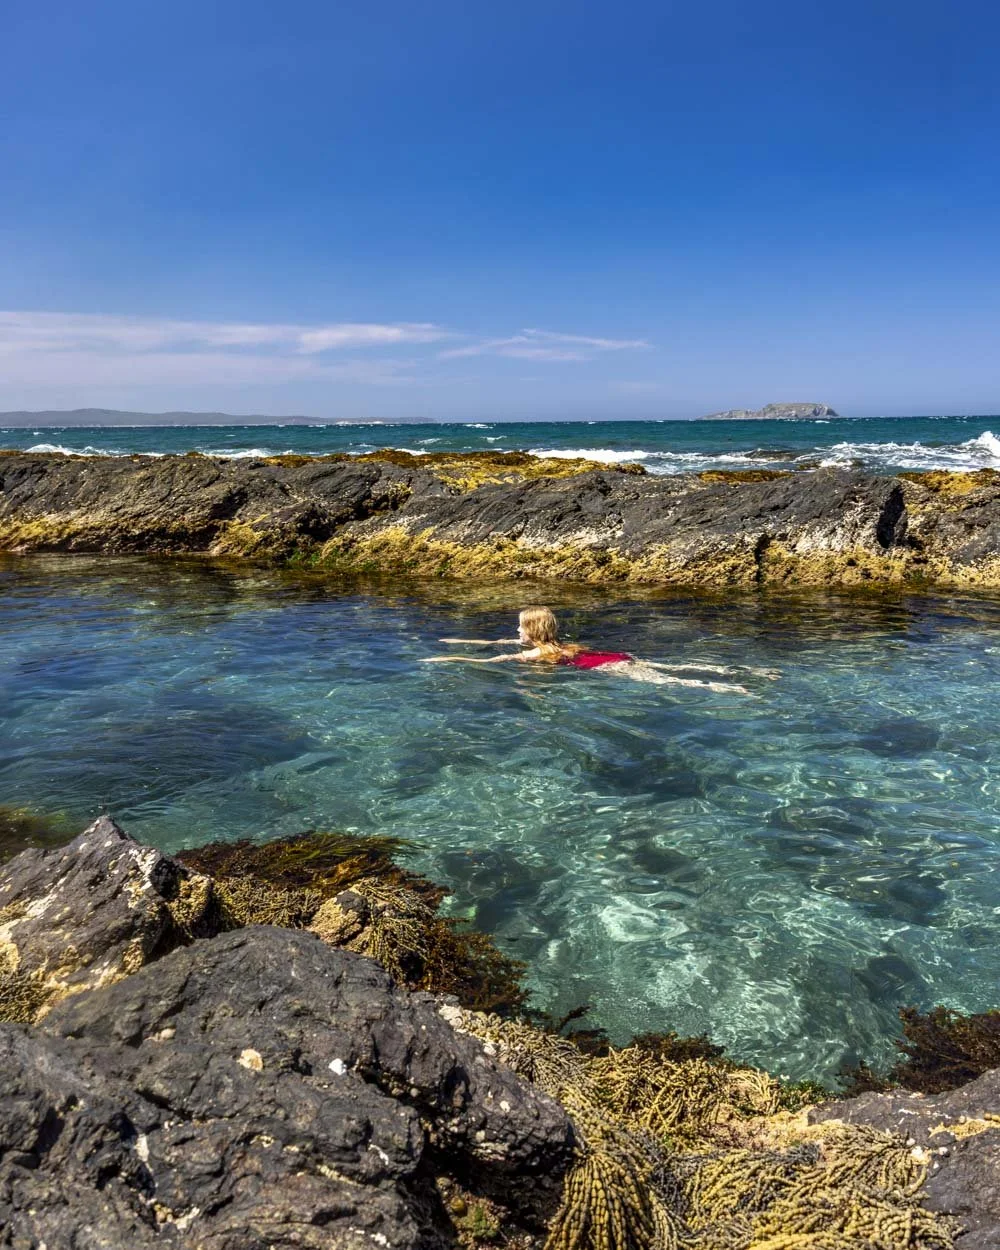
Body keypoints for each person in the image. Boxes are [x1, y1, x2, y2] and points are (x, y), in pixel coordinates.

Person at [424, 606, 773, 693]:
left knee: (667, 681)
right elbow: (496, 644)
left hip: (608, 669)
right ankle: (748, 672)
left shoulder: (533, 655)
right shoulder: (558, 644)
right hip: (610, 656)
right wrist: (457, 642)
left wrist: (449, 658)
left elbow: (494, 658)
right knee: (674, 665)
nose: (514, 631)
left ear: (530, 633)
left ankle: (732, 687)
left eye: (519, 627)